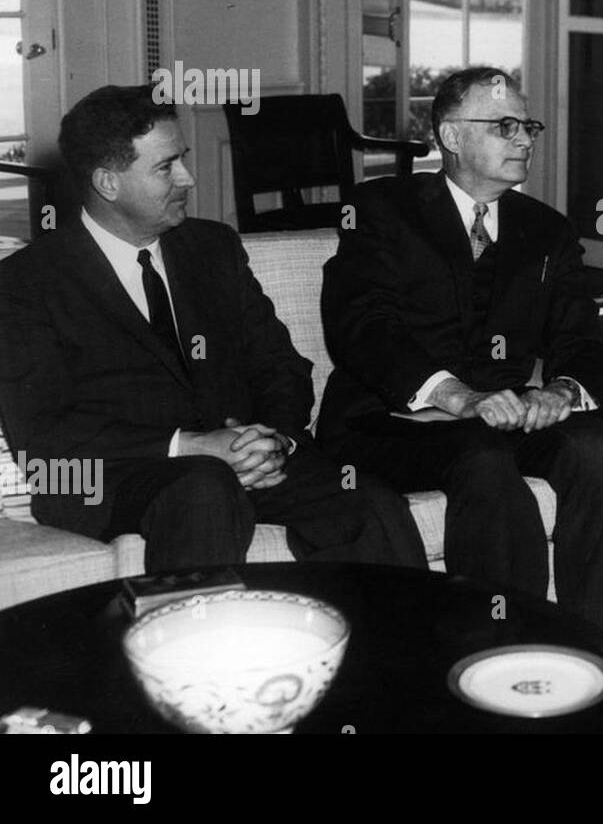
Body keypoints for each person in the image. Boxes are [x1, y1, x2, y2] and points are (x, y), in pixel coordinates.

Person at [0, 85, 426, 574]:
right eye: (166, 167)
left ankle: (389, 644)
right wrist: (192, 446)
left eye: (182, 158)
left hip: (243, 461)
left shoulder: (212, 249)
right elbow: (44, 433)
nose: (190, 177)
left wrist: (275, 440)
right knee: (203, 485)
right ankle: (191, 646)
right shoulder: (27, 283)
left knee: (363, 496)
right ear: (107, 183)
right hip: (110, 479)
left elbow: (280, 365)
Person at [317, 66, 603, 653]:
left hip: (504, 413)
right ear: (451, 136)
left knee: (592, 447)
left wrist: (560, 392)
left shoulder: (546, 230)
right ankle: (497, 660)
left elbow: (583, 339)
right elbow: (363, 326)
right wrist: (457, 396)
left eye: (528, 126)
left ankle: (602, 662)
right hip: (388, 421)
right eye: (505, 126)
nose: (526, 139)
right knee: (483, 454)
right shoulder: (381, 208)